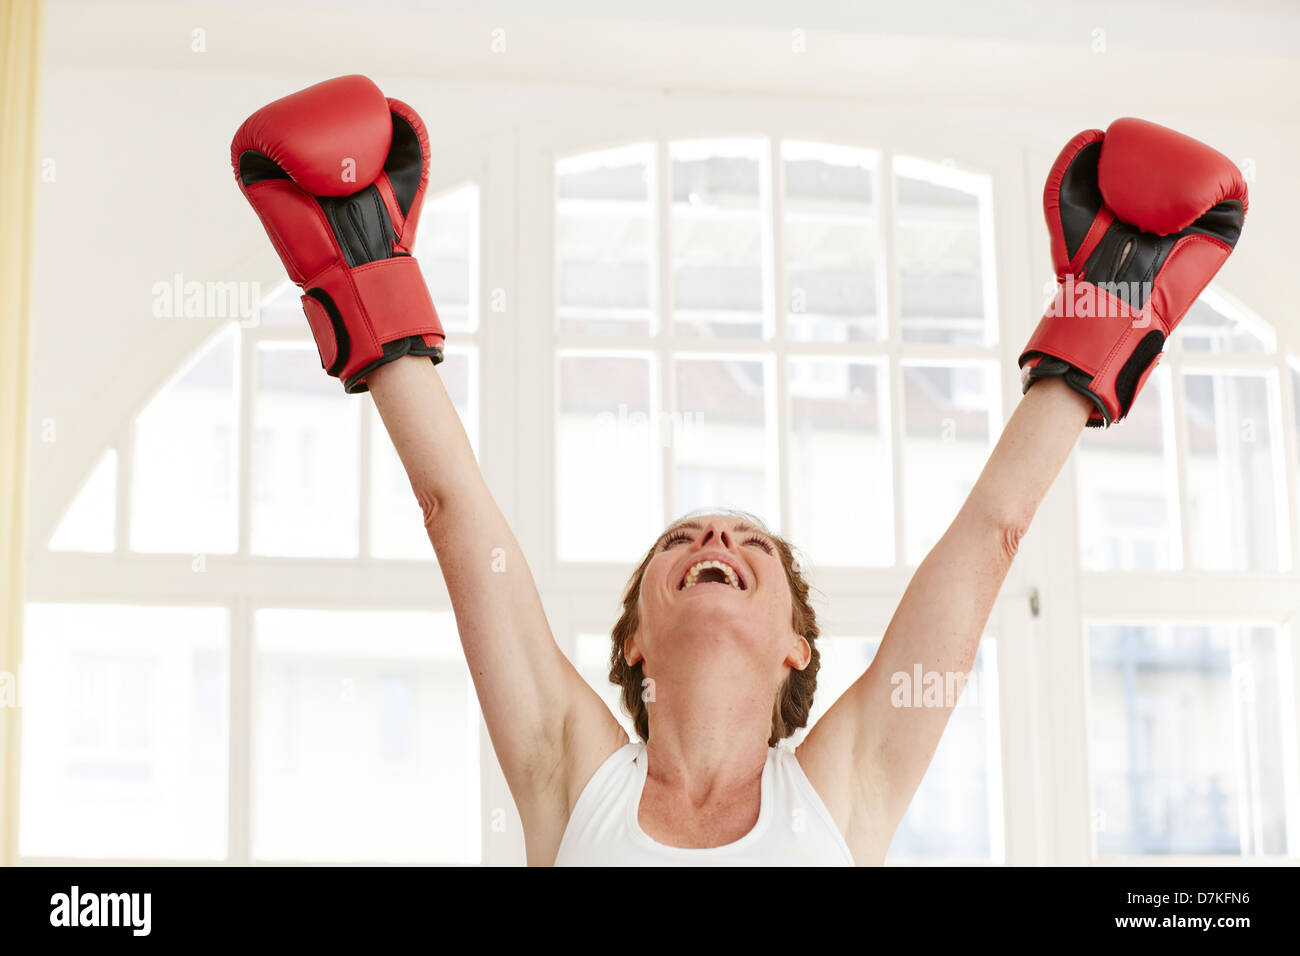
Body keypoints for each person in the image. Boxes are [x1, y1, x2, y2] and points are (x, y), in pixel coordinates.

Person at [231, 75, 1247, 865]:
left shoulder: (844, 782)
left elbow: (991, 538)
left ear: (797, 649)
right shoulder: (569, 770)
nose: (715, 537)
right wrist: (366, 279)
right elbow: (457, 515)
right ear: (632, 640)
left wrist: (1104, 313)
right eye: (684, 539)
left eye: (745, 541)